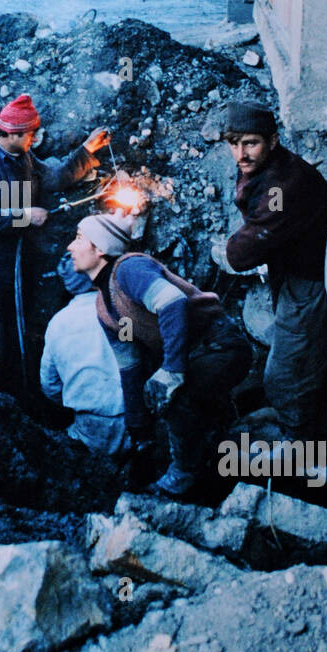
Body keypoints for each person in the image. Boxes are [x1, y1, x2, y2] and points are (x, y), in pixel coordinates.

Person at [70, 212, 252, 497]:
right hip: (194, 357)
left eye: (79, 238)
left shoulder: (129, 270)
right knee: (154, 399)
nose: (71, 246)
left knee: (177, 398)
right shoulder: (105, 310)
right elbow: (129, 368)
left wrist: (172, 370)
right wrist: (139, 431)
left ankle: (184, 476)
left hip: (221, 346)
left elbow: (172, 303)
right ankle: (212, 453)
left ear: (100, 248)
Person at [0, 93, 110, 394]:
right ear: (12, 134)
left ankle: (20, 400)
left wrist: (87, 150)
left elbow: (52, 179)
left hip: (18, 263)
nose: (36, 139)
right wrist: (24, 216)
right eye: (31, 134)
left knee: (18, 336)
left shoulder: (22, 156)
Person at [222, 101, 327, 440]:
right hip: (293, 267)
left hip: (310, 280)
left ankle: (298, 433)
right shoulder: (262, 166)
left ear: (273, 141)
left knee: (285, 374)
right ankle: (304, 405)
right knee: (302, 350)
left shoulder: (282, 187)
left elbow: (241, 254)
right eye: (234, 143)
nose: (240, 153)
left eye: (250, 143)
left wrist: (226, 250)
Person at [40, 251, 128, 457]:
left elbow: (49, 385)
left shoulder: (57, 324)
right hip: (131, 418)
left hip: (87, 425)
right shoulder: (122, 312)